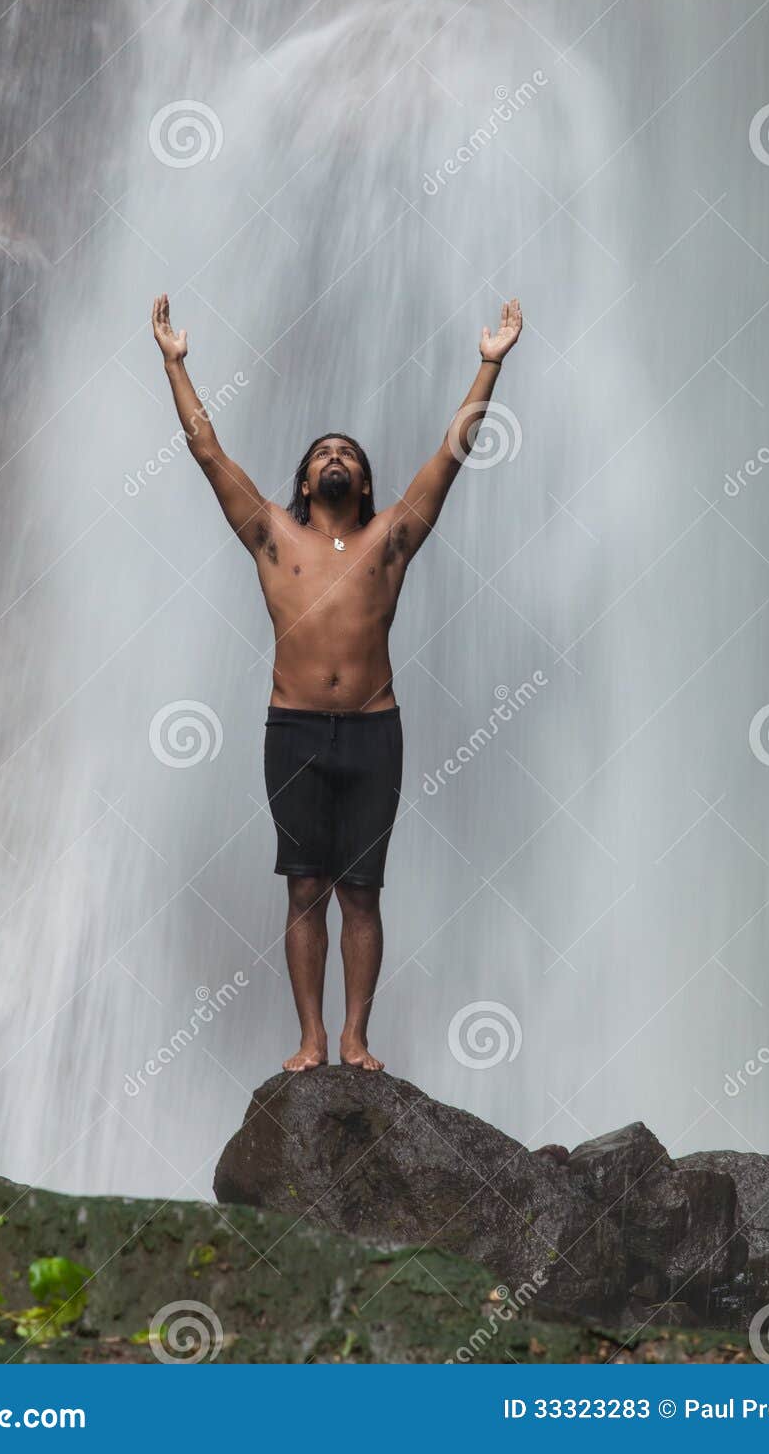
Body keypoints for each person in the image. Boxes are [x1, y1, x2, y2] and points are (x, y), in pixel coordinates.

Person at [152, 293, 524, 1072]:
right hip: (291, 731)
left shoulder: (390, 539)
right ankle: (310, 1039)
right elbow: (206, 452)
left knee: (361, 894)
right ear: (302, 479)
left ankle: (353, 1036)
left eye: (347, 455)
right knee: (302, 890)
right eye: (322, 451)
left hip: (371, 731)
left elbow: (451, 455)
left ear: (361, 485)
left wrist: (488, 363)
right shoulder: (270, 536)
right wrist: (174, 364)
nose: (334, 457)